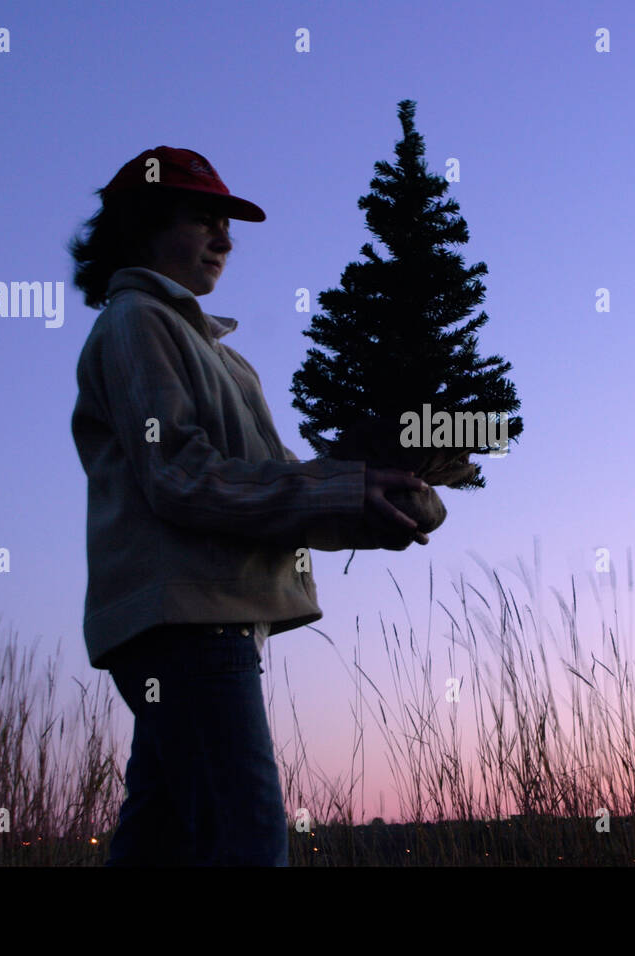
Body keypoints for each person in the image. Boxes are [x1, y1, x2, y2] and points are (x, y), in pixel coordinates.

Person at [68, 146, 434, 866]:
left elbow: (266, 484)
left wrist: (383, 502)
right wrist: (342, 487)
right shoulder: (137, 321)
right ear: (142, 226)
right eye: (202, 218)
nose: (225, 239)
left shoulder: (221, 356)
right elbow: (179, 475)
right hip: (188, 625)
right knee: (249, 841)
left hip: (200, 621)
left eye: (228, 224)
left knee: (162, 840)